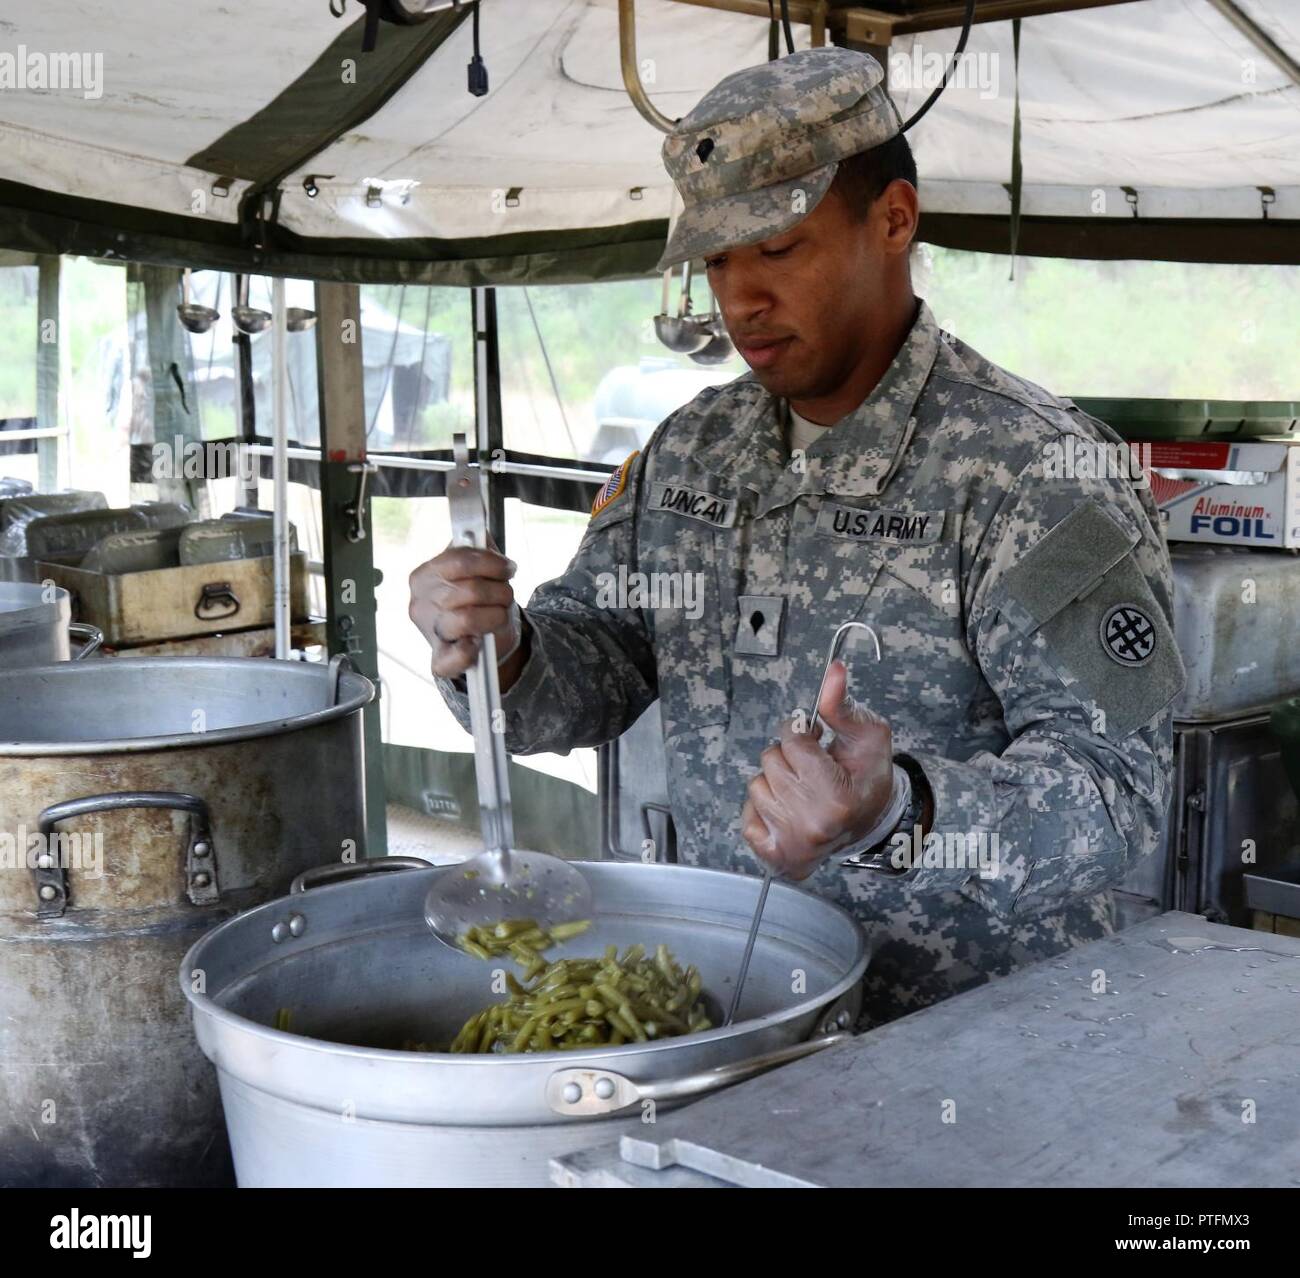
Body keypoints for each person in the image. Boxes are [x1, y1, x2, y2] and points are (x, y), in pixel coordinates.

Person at [409, 47, 1185, 1026]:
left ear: (893, 219)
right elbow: (596, 656)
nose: (739, 299)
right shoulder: (690, 451)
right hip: (730, 1021)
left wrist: (896, 813)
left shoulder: (1048, 478)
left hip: (963, 1049)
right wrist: (502, 652)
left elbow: (1117, 796)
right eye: (716, 260)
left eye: (776, 250)